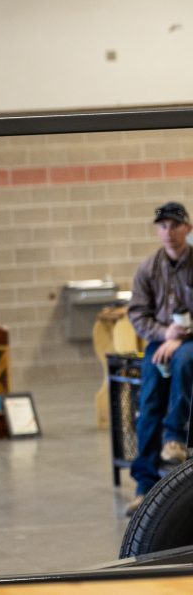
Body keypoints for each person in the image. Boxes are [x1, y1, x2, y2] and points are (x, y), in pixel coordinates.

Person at [126, 201, 193, 515]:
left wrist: (180, 336)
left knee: (184, 361)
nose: (168, 232)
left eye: (174, 225)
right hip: (159, 342)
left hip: (189, 342)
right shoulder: (148, 268)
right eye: (163, 226)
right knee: (149, 399)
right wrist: (165, 334)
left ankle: (175, 438)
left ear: (187, 229)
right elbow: (137, 314)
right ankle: (144, 485)